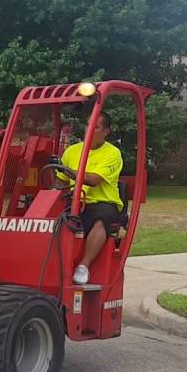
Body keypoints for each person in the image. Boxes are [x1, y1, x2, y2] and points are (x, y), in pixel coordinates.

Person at [55, 112, 123, 285]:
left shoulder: (112, 154)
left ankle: (83, 266)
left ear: (106, 131)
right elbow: (59, 182)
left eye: (96, 127)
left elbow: (93, 180)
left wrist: (67, 170)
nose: (89, 129)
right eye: (88, 125)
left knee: (101, 219)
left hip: (102, 202)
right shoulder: (72, 151)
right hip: (75, 201)